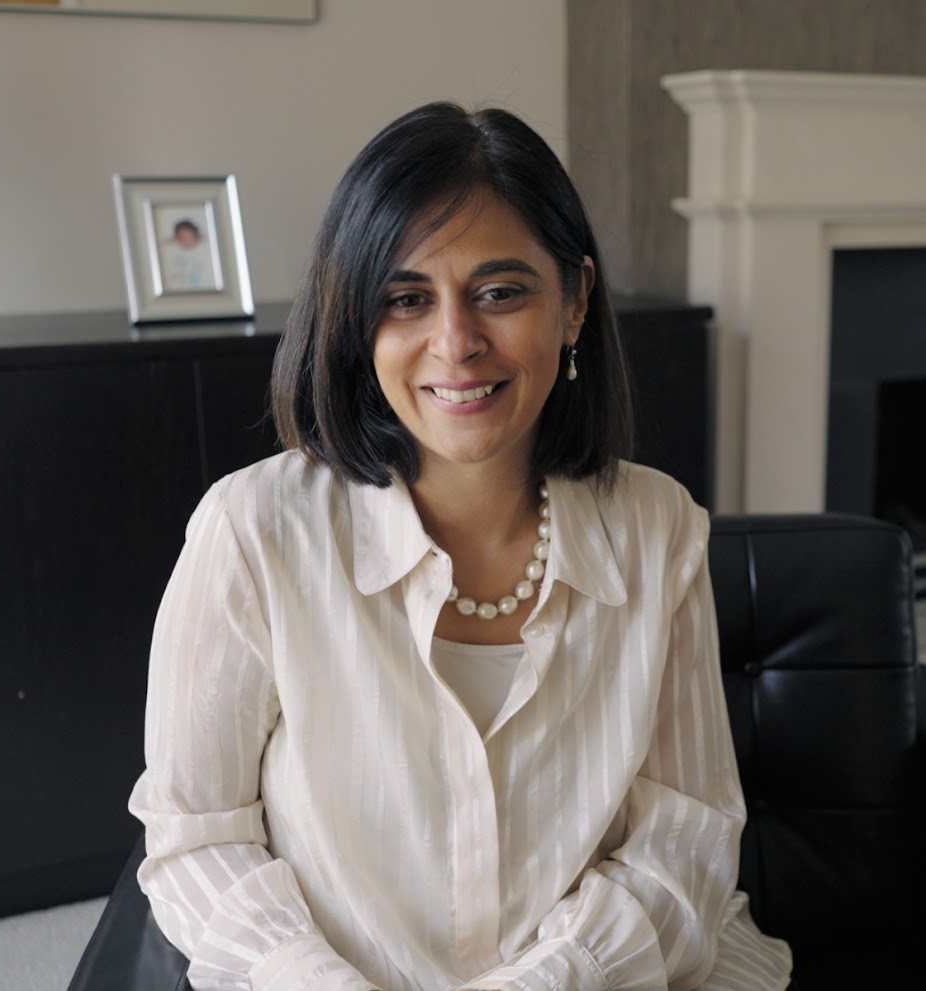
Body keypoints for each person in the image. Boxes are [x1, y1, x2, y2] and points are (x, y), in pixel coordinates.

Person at [129, 102, 793, 991]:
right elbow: (196, 838)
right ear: (357, 322)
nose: (456, 342)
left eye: (500, 291)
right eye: (406, 299)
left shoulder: (657, 526)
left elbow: (687, 836)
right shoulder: (252, 530)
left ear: (575, 302)